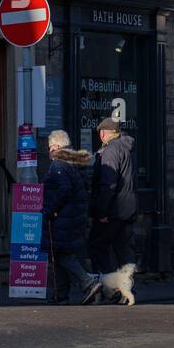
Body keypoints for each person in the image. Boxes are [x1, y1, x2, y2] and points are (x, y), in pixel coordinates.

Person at [42, 130, 100, 306]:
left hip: (62, 219)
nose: (49, 150)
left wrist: (50, 210)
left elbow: (64, 190)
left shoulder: (58, 165)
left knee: (62, 255)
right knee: (58, 254)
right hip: (72, 218)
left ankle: (88, 283)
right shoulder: (73, 163)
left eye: (51, 147)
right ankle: (61, 296)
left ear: (57, 147)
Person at [90, 117, 138, 305]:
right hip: (128, 208)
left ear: (103, 133)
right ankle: (128, 290)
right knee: (123, 250)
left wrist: (101, 211)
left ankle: (108, 289)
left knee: (96, 246)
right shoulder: (127, 148)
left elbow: (107, 184)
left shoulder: (110, 150)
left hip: (113, 210)